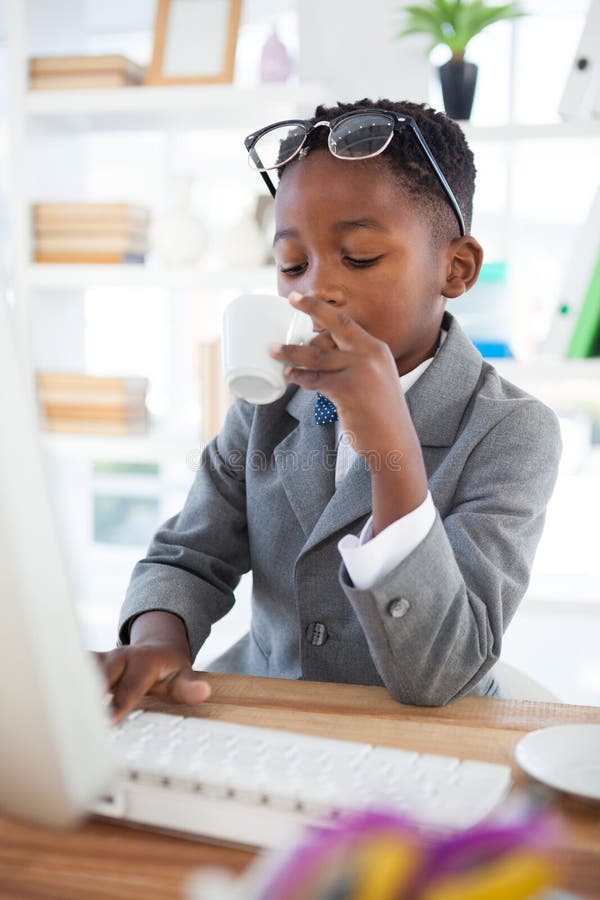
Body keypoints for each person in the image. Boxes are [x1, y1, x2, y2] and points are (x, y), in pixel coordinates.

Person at [96, 99, 561, 722]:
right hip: (267, 708)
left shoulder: (512, 431)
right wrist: (159, 640)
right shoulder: (269, 405)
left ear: (456, 268)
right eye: (292, 264)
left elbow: (444, 669)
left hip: (423, 734)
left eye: (360, 256)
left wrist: (387, 441)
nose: (313, 289)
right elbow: (189, 555)